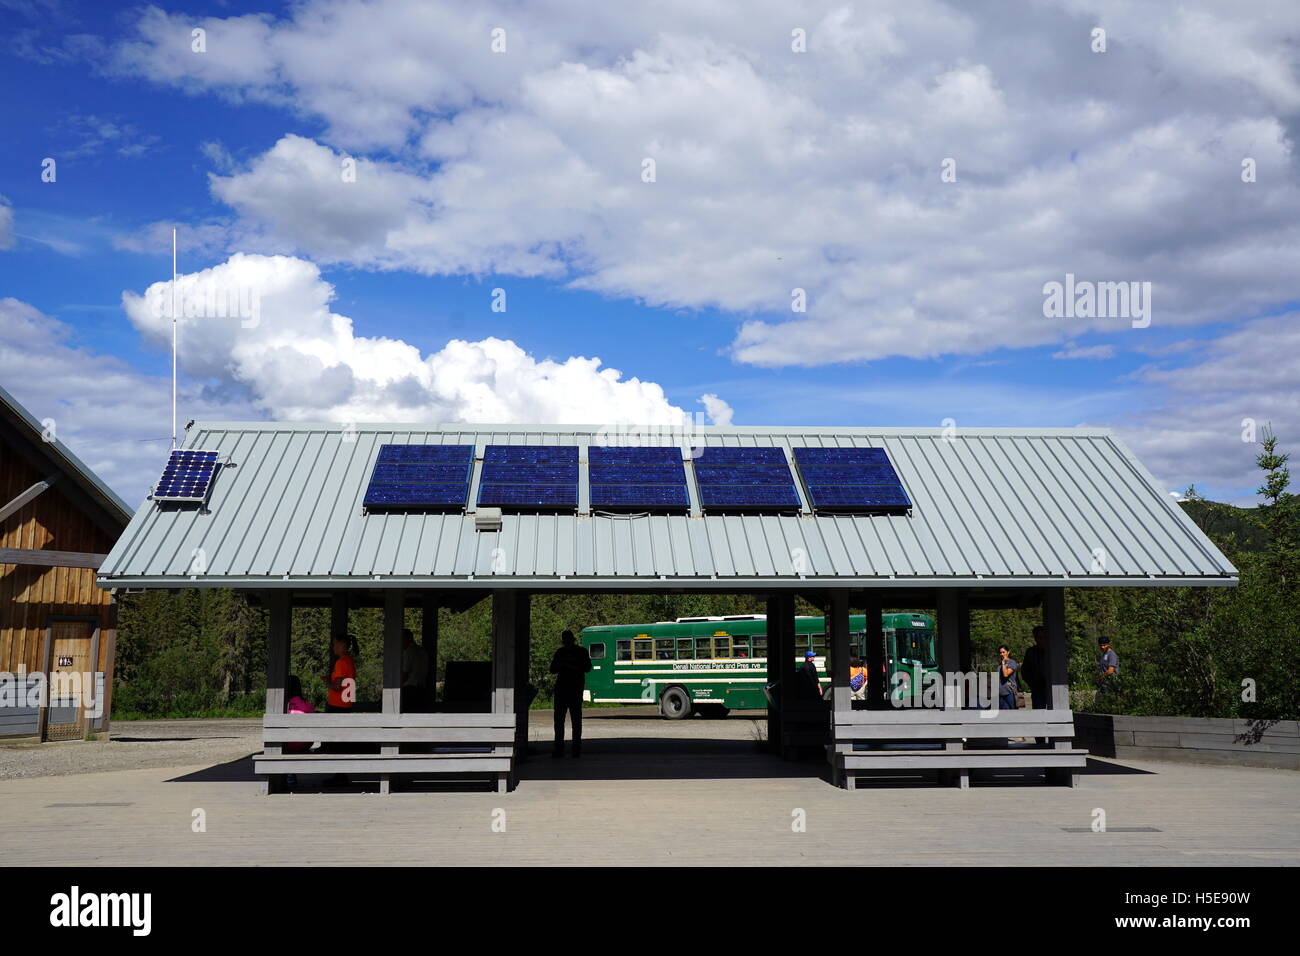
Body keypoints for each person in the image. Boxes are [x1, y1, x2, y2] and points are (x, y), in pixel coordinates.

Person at [549, 630, 592, 758]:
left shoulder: (560, 653)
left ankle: (560, 749)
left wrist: (564, 665)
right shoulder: (581, 652)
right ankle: (575, 749)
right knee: (575, 721)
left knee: (560, 721)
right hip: (574, 690)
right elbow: (588, 668)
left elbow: (552, 669)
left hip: (563, 690)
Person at [323, 633, 357, 787]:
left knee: (336, 743)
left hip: (337, 706)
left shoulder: (341, 662)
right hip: (346, 705)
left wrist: (326, 682)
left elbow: (337, 686)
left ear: (343, 645)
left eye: (335, 644)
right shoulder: (350, 661)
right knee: (341, 742)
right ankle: (340, 773)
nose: (333, 647)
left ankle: (340, 775)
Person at [283, 675, 315, 788]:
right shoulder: (307, 705)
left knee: (284, 744)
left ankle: (289, 773)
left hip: (286, 743)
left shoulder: (282, 705)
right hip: (303, 743)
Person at [400, 628, 429, 712]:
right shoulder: (422, 651)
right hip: (421, 689)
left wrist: (397, 687)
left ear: (406, 639)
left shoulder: (409, 651)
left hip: (410, 690)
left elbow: (405, 673)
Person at [1020, 626, 1048, 709]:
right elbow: (1024, 671)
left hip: (1052, 688)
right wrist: (1032, 684)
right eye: (1039, 637)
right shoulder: (1031, 652)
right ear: (1035, 638)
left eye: (1044, 637)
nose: (1042, 640)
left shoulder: (1052, 651)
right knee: (1039, 712)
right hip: (1038, 689)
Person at [997, 644, 1019, 711]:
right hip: (1001, 693)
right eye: (1000, 653)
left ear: (1008, 652)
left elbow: (1006, 674)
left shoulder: (1012, 662)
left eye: (1003, 652)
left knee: (1012, 713)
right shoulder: (999, 665)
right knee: (1003, 714)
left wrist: (1003, 663)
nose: (1002, 654)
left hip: (1009, 692)